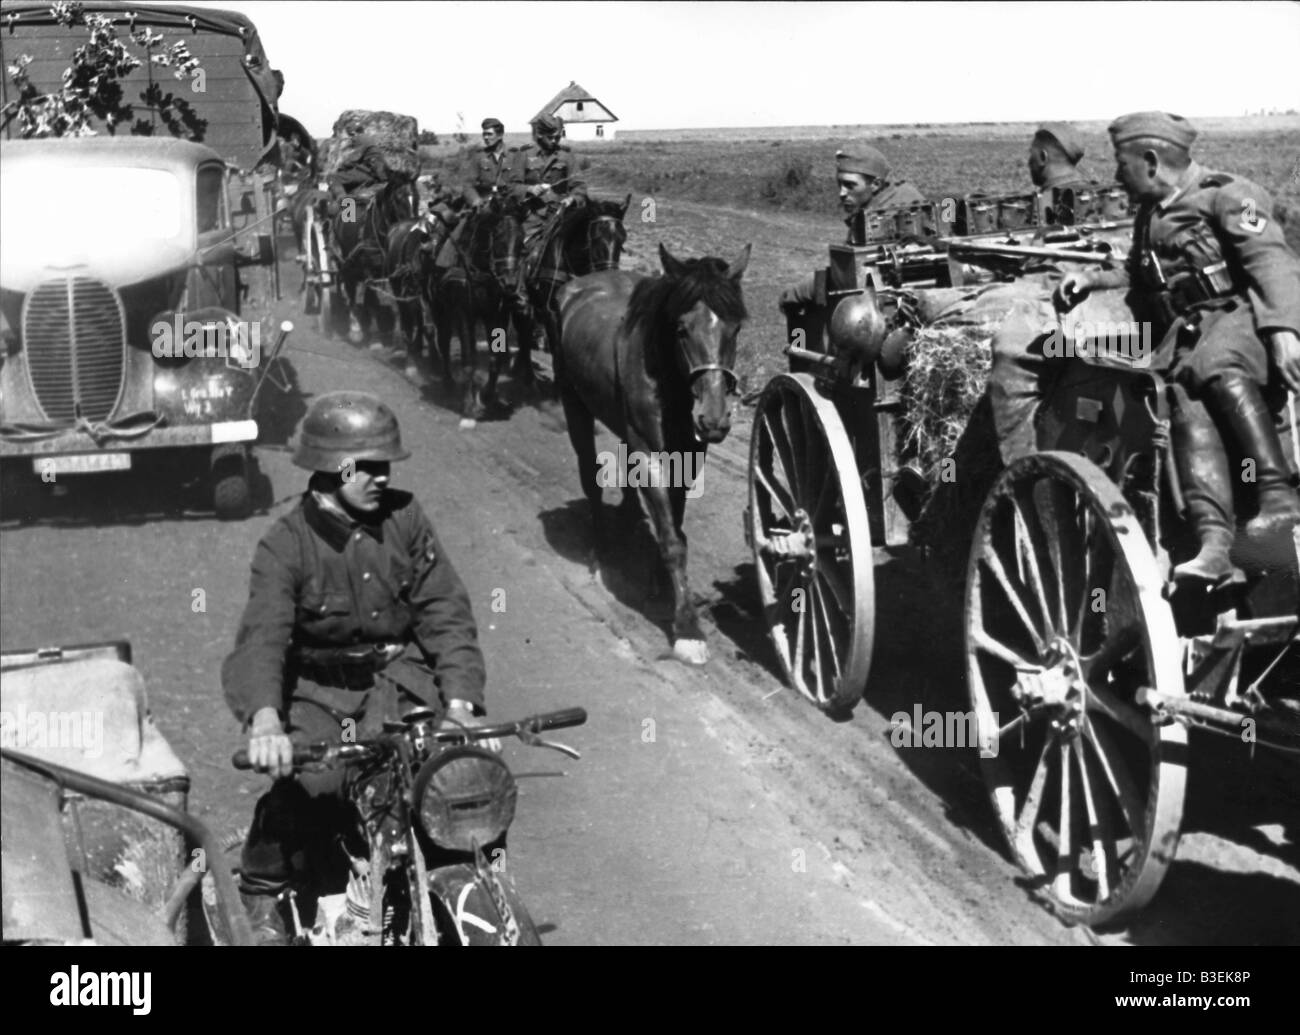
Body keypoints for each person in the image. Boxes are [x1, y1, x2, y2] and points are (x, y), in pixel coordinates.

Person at [221, 391, 490, 944]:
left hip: (400, 683)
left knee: (454, 778)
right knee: (309, 783)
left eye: (384, 465)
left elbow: (445, 612)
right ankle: (263, 889)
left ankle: (475, 891)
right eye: (363, 467)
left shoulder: (406, 520)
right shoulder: (285, 543)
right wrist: (267, 722)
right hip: (322, 694)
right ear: (327, 468)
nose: (379, 478)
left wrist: (461, 704)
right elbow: (262, 639)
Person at [1056, 111, 1300, 582]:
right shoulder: (1152, 211)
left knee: (1215, 362)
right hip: (1190, 332)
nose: (1115, 176)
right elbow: (1138, 271)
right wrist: (1091, 278)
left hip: (1242, 318)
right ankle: (1216, 543)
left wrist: (1285, 331)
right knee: (1184, 401)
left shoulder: (1230, 195)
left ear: (1149, 161)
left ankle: (1278, 493)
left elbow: (1273, 261)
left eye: (1120, 163)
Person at [778, 144, 926, 318]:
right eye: (839, 184)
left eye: (850, 185)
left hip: (893, 306)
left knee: (796, 304)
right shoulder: (893, 197)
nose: (842, 193)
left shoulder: (885, 213)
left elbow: (854, 276)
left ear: (876, 184)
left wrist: (795, 294)